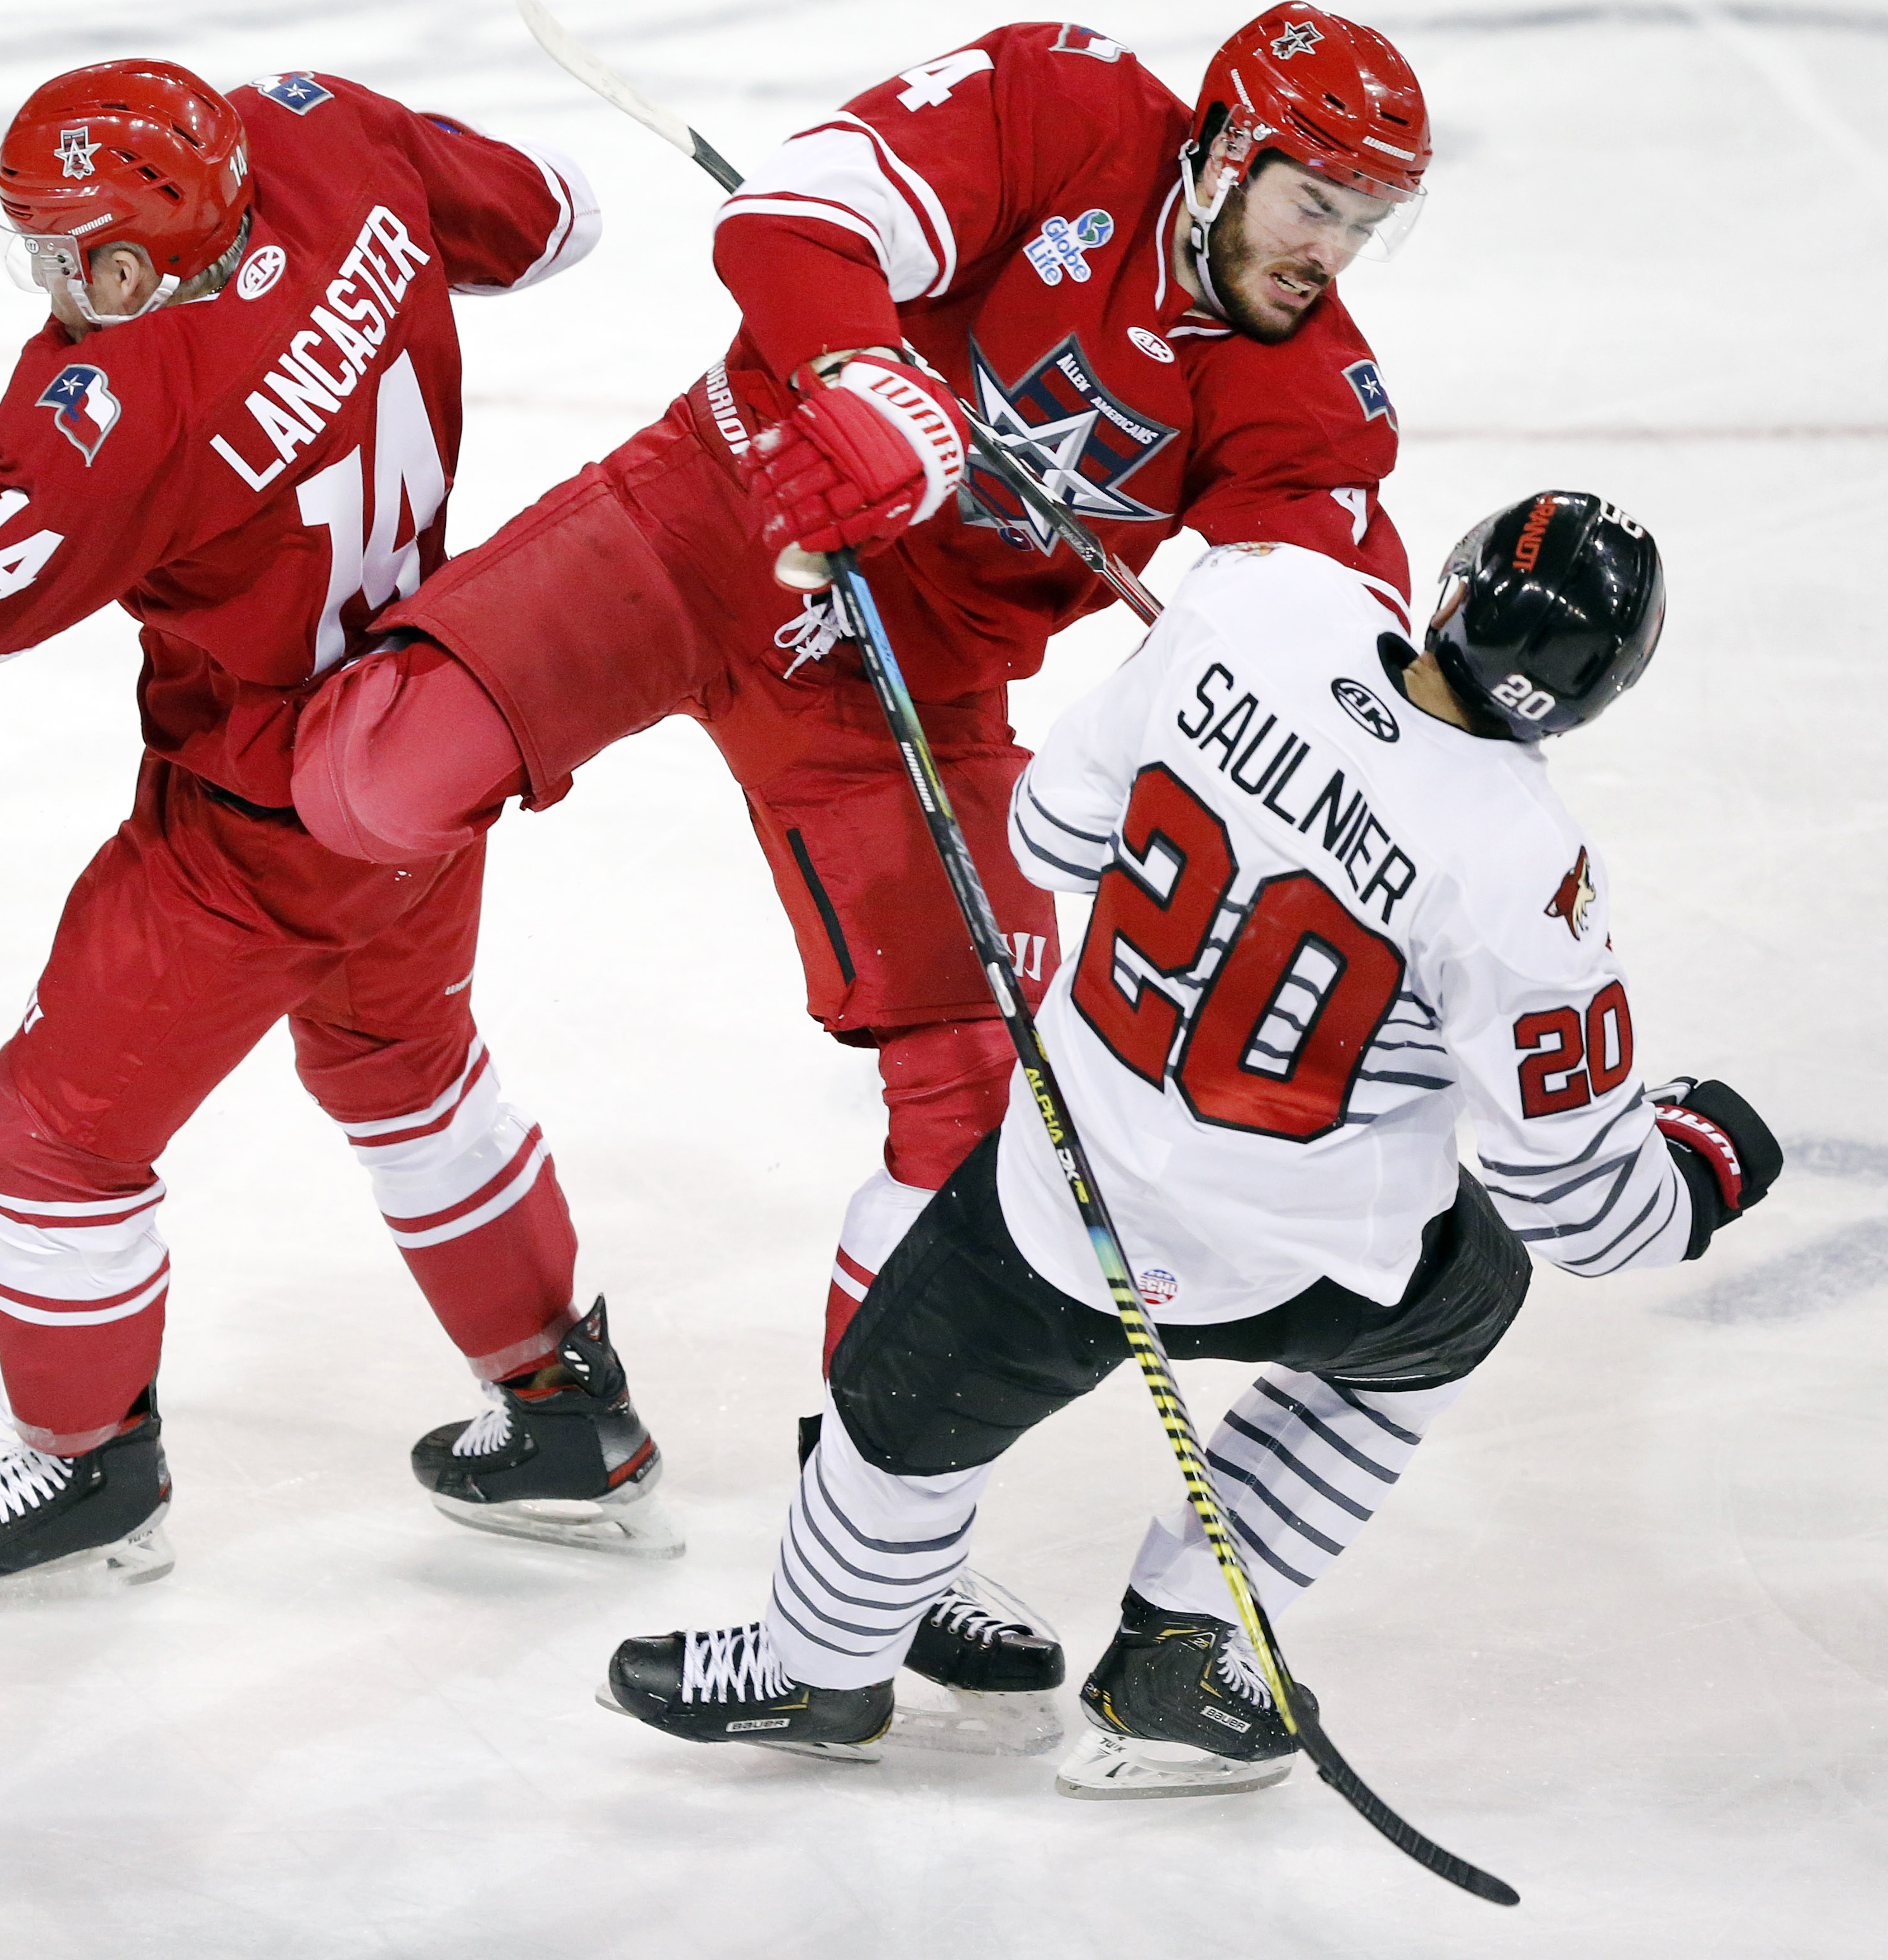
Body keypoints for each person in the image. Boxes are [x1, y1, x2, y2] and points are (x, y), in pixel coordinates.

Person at [290, 4, 1433, 1701]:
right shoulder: (1062, 100)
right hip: (710, 513)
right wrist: (867, 373)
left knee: (973, 1111)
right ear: (1219, 148)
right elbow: (790, 218)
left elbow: (1331, 636)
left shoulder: (1309, 395)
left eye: (1362, 221)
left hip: (910, 679)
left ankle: (876, 1547)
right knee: (369, 787)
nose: (1327, 251)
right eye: (1307, 203)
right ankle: (523, 1315)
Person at [599, 493, 1782, 1792]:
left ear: (1453, 583)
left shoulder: (1265, 601)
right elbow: (1591, 1215)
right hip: (1304, 1258)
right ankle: (1183, 1641)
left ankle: (820, 1660)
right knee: (1466, 1301)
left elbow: (1051, 830)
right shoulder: (1525, 865)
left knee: (896, 1408)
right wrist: (1703, 1160)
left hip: (1069, 1186)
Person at [0, 57, 684, 1600]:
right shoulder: (320, 135)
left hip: (260, 815)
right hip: (429, 739)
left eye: (62, 254)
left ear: (130, 258)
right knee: (405, 1067)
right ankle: (568, 1414)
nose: (46, 284)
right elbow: (554, 217)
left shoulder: (134, 401)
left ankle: (87, 1461)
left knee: (49, 1134)